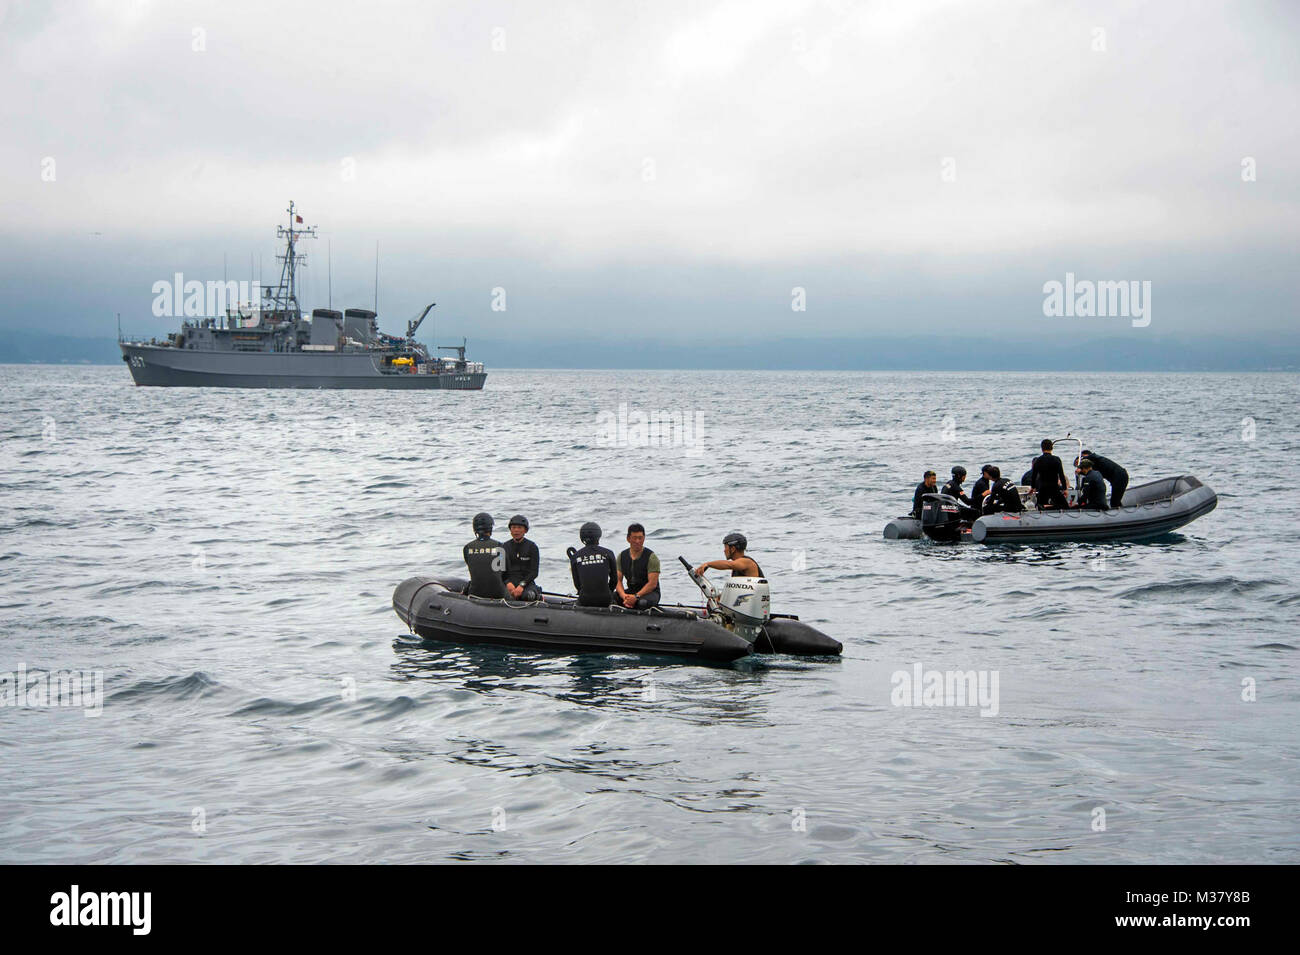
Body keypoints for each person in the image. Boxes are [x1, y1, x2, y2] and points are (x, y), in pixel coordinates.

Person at [568, 522, 618, 607]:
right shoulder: (608, 553)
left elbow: (577, 584)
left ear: (582, 537)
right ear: (599, 535)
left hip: (585, 599)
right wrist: (608, 592)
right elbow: (614, 580)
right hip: (605, 599)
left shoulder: (576, 556)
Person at [616, 522, 661, 609]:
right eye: (635, 538)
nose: (637, 541)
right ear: (628, 539)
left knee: (641, 603)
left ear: (644, 538)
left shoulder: (652, 557)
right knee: (612, 597)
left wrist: (636, 597)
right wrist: (624, 596)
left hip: (650, 593)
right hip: (631, 591)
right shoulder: (622, 556)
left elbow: (652, 584)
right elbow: (618, 580)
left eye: (640, 538)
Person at [462, 512, 506, 599]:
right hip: (498, 593)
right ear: (490, 527)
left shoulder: (467, 548)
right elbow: (503, 570)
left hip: (475, 593)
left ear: (474, 529)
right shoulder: (499, 546)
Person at [501, 514, 541, 601]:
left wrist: (522, 585)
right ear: (510, 530)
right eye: (514, 527)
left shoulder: (532, 547)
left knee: (528, 596)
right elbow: (500, 570)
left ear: (525, 530)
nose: (516, 530)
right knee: (506, 596)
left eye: (519, 527)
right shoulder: (504, 547)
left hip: (526, 582)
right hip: (509, 582)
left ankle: (537, 593)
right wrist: (507, 583)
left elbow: (534, 572)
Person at [694, 532, 764, 578]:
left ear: (733, 549)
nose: (724, 550)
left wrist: (708, 564)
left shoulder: (746, 562)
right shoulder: (737, 568)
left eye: (725, 547)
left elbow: (730, 565)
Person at [1030, 439, 1070, 510]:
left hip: (1042, 488)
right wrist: (1065, 489)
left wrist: (1032, 487)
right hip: (1054, 487)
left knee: (1040, 507)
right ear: (1052, 448)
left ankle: (1045, 508)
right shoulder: (1056, 459)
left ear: (1042, 448)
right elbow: (1061, 475)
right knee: (1064, 506)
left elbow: (1034, 476)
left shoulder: (1038, 460)